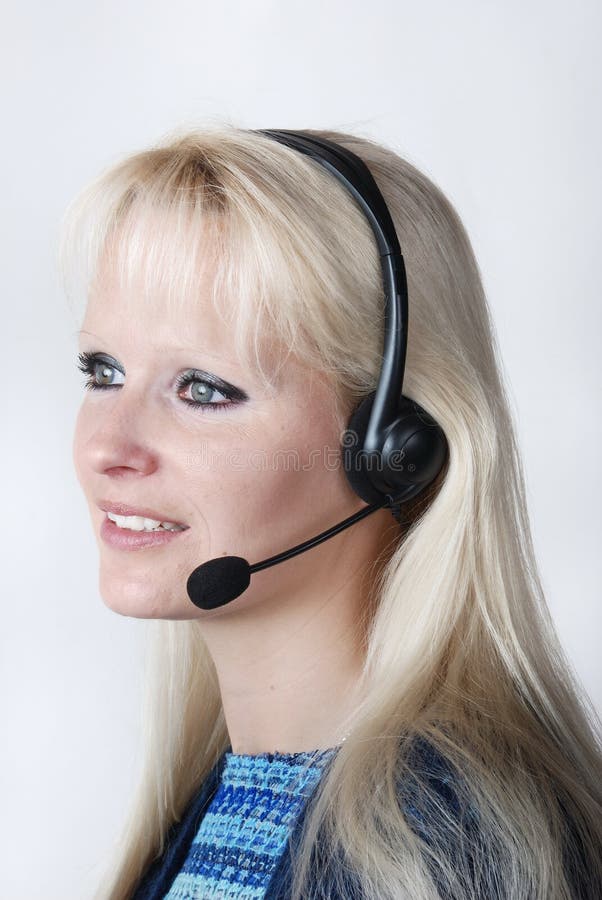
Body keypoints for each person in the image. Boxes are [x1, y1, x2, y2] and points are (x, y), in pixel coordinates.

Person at [60, 124, 602, 899]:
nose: (108, 446)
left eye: (203, 389)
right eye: (103, 370)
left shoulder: (440, 855)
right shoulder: (214, 807)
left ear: (390, 449)